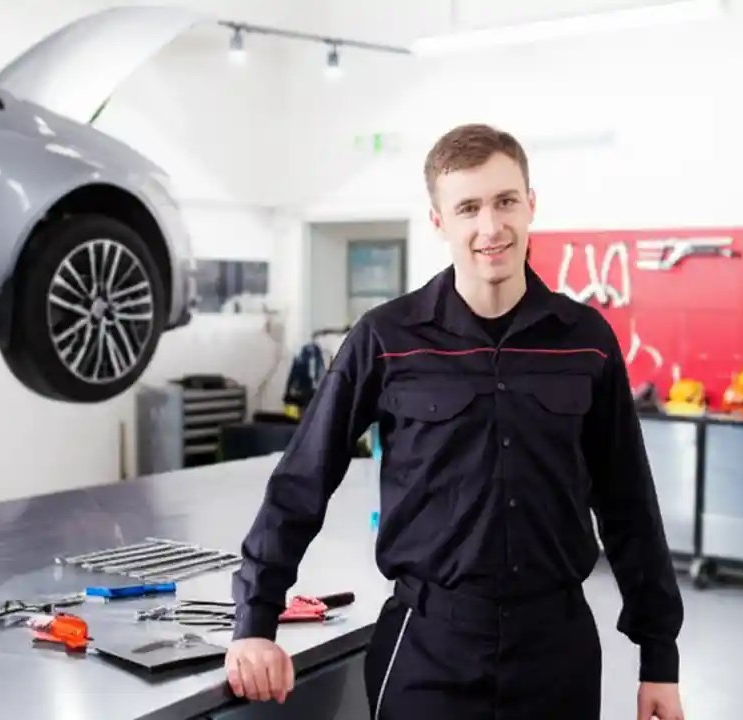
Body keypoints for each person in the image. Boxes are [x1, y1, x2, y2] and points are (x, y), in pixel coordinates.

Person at [224, 123, 686, 719]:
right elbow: (301, 480)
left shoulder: (585, 342)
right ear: (440, 221)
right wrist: (256, 619)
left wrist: (659, 657)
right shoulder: (387, 339)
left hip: (558, 650)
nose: (490, 226)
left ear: (531, 205)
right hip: (427, 649)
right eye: (468, 207)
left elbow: (629, 504)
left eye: (505, 201)